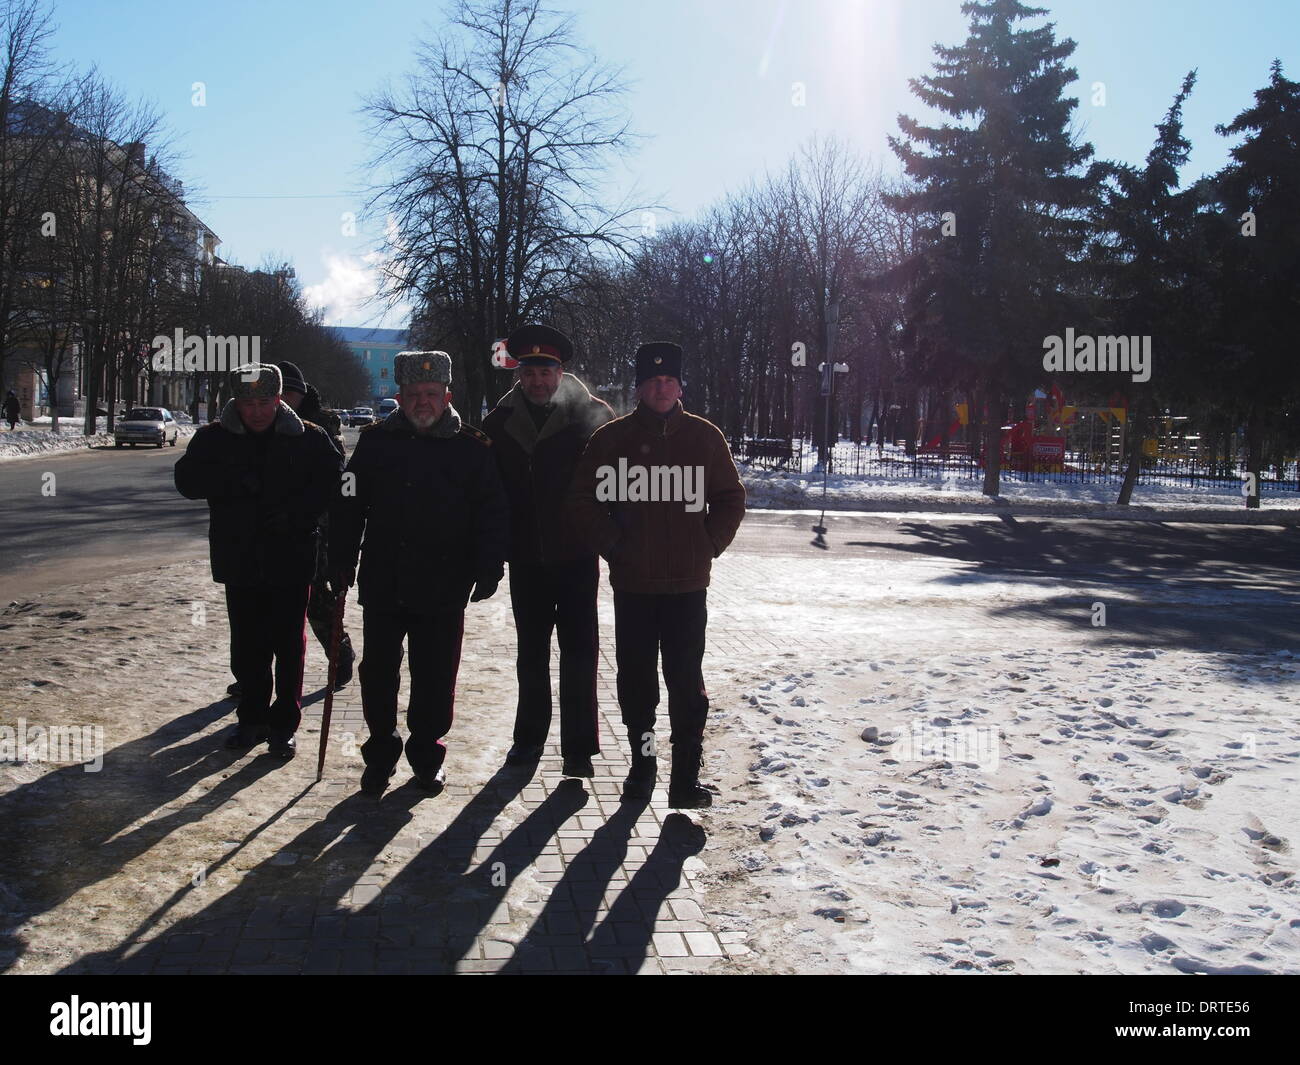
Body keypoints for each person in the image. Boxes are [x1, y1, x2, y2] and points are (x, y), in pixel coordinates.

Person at [567, 342, 746, 807]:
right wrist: (613, 546)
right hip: (635, 587)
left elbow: (730, 497)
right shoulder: (612, 440)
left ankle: (685, 777)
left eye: (669, 381)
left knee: (687, 684)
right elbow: (583, 500)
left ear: (680, 386)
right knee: (637, 684)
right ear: (640, 388)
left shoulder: (705, 438)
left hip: (688, 587)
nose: (661, 388)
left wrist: (709, 544)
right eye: (652, 381)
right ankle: (642, 764)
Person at [329, 351, 509, 797]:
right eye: (413, 394)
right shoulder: (375, 443)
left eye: (431, 394)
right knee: (379, 673)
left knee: (434, 676)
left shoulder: (472, 446)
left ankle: (427, 757)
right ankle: (380, 754)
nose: (422, 402)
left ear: (447, 395)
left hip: (444, 584)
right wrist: (338, 561)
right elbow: (349, 505)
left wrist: (489, 567)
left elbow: (492, 511)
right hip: (384, 579)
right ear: (400, 397)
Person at [174, 363, 342, 759]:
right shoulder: (215, 438)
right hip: (240, 558)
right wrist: (230, 481)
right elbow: (186, 481)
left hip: (291, 556)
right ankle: (251, 718)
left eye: (265, 401)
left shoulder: (309, 437)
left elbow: (334, 485)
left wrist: (297, 515)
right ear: (236, 401)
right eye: (248, 402)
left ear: (279, 399)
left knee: (288, 645)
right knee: (247, 645)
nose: (256, 411)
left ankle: (284, 724)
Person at [482, 324, 613, 777]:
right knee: (531, 654)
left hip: (577, 557)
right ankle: (528, 739)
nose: (538, 380)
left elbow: (613, 486)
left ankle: (578, 748)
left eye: (547, 371)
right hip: (526, 557)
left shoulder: (594, 418)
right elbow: (488, 493)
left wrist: (608, 538)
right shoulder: (497, 424)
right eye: (531, 371)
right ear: (519, 373)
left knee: (580, 652)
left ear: (562, 371)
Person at [276, 361, 355, 690]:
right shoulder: (262, 421)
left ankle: (340, 653)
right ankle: (254, 674)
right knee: (269, 606)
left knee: (317, 600)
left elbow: (340, 481)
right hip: (275, 528)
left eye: (288, 394)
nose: (282, 400)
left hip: (318, 527)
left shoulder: (320, 427)